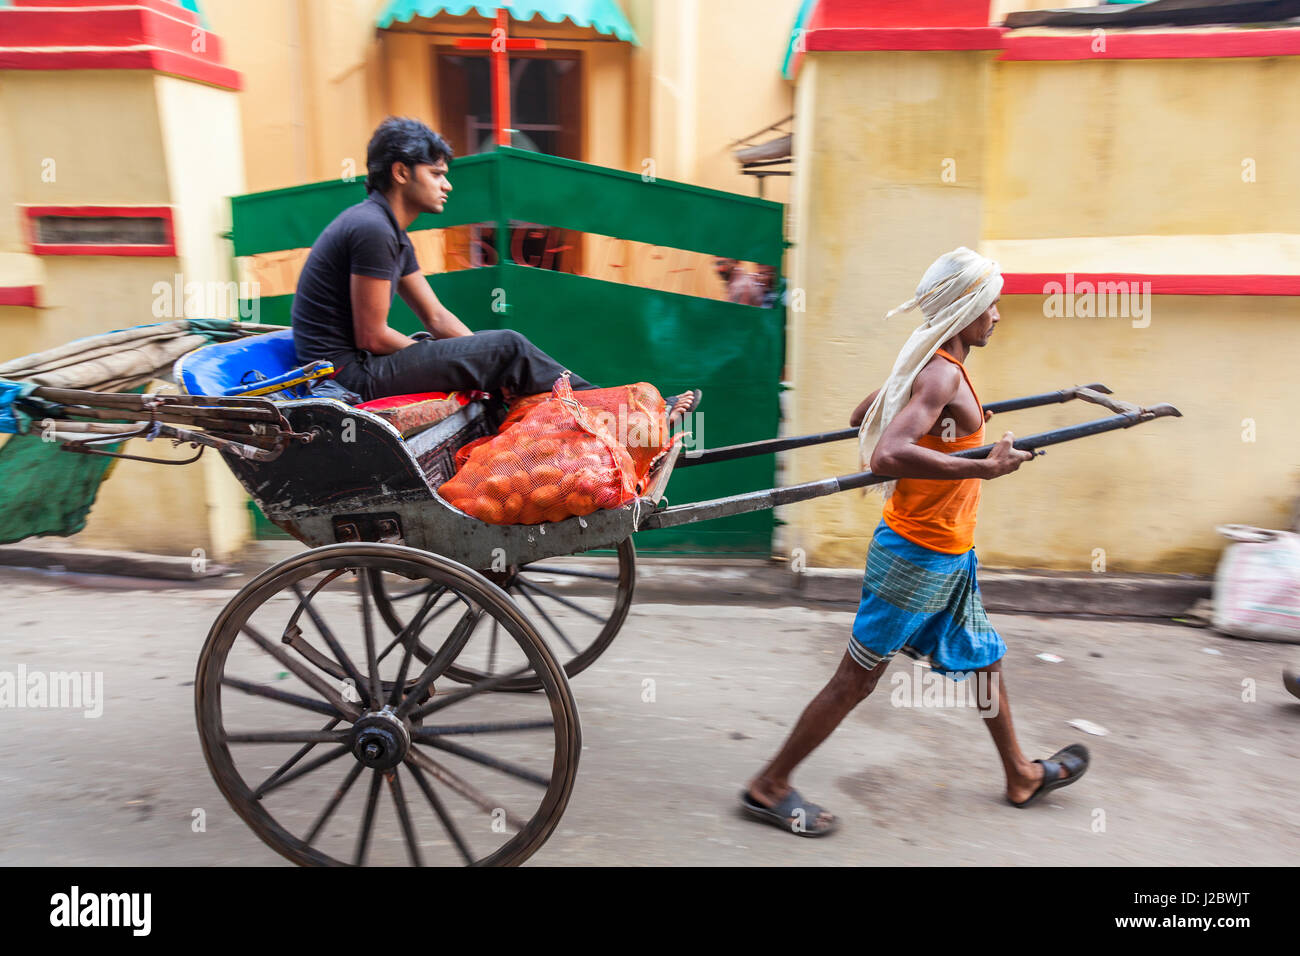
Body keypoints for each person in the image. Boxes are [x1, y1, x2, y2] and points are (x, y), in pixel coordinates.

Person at [741, 247, 1089, 837]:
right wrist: (982, 467)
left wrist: (952, 423)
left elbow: (864, 416)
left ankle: (1020, 775)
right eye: (992, 304)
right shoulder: (941, 370)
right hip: (917, 553)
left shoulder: (933, 362)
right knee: (857, 677)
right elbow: (885, 452)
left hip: (950, 551)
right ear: (968, 310)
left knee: (984, 658)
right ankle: (768, 784)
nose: (999, 315)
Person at [292, 116, 699, 420]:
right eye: (435, 174)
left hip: (359, 365)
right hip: (349, 376)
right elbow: (373, 335)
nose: (446, 185)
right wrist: (488, 355)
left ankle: (597, 413)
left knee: (497, 350)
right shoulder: (371, 229)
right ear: (400, 172)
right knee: (507, 344)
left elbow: (436, 317)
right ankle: (625, 415)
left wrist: (481, 358)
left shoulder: (389, 231)